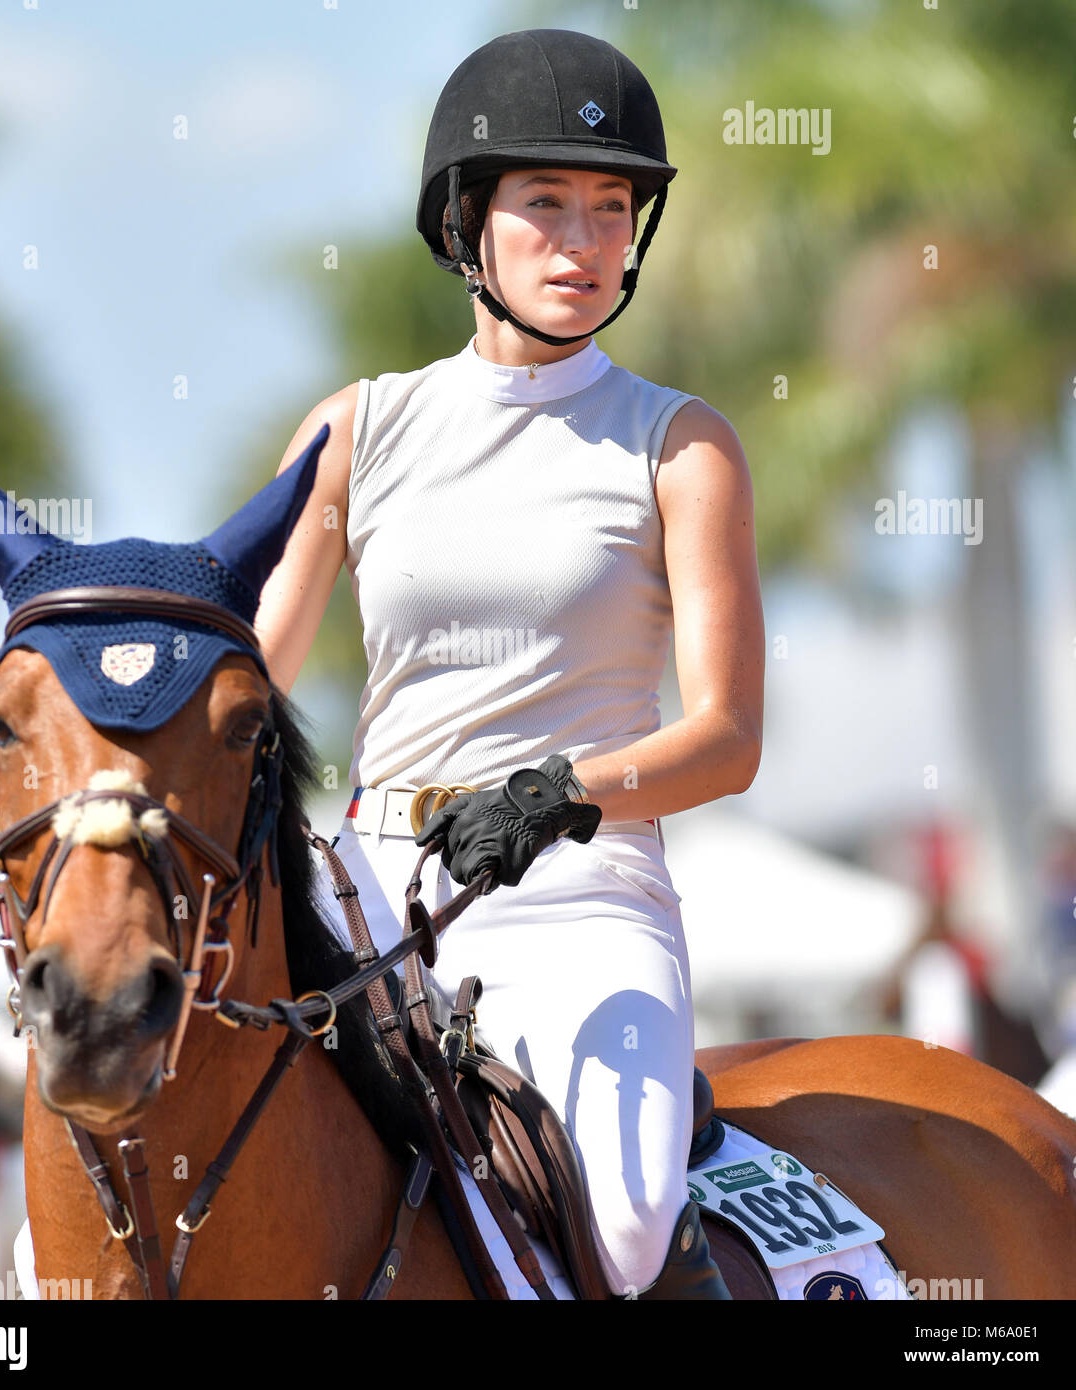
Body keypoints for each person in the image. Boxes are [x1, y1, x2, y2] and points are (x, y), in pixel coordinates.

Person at [255, 27, 764, 1299]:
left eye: (613, 209)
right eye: (547, 206)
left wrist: (556, 794)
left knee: (636, 1217)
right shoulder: (351, 431)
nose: (587, 244)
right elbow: (248, 674)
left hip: (583, 896)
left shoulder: (679, 447)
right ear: (464, 226)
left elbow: (728, 738)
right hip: (370, 892)